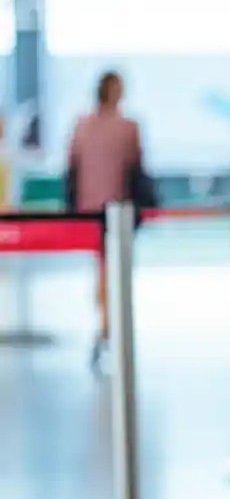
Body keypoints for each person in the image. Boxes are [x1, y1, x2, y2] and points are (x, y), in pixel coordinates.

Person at [67, 70, 144, 367]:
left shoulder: (84, 126)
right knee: (112, 269)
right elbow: (136, 169)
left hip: (93, 208)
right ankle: (109, 324)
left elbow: (71, 168)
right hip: (113, 209)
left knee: (104, 269)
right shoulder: (126, 128)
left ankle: (107, 323)